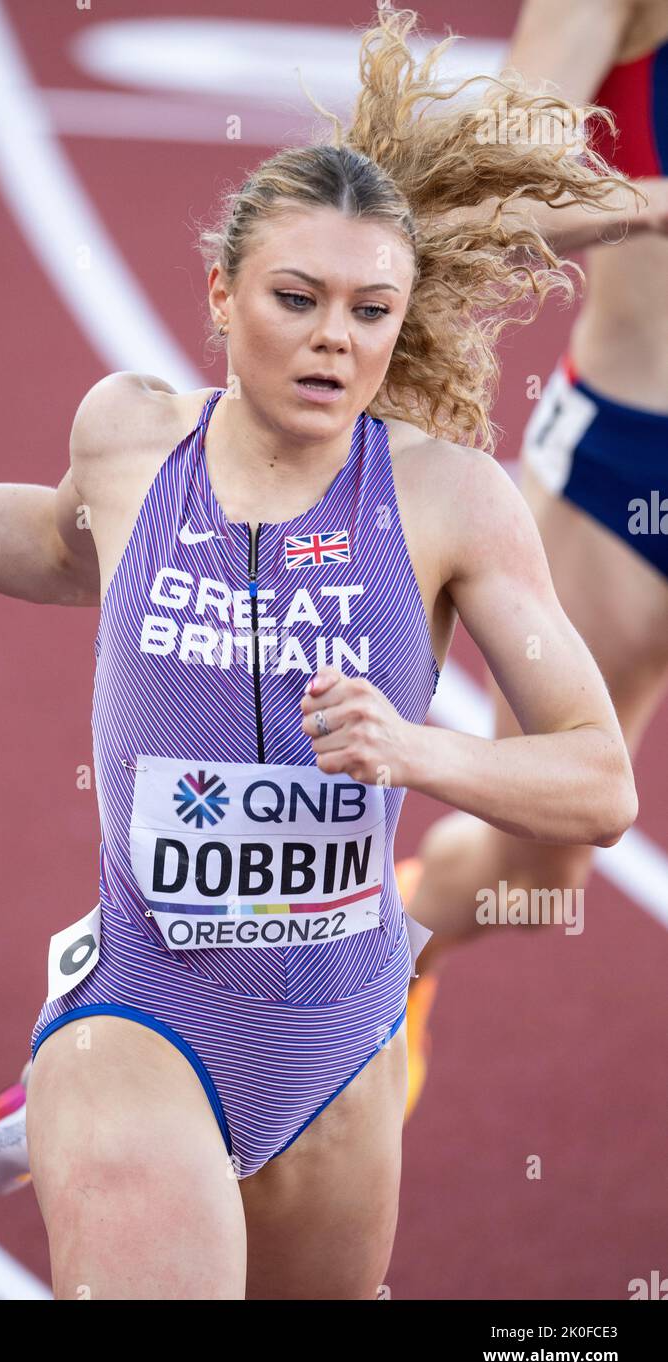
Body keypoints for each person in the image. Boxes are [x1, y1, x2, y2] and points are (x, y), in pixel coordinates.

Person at [0, 5, 641, 1299]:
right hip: (143, 1011)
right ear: (219, 292)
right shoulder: (133, 435)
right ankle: (60, 1072)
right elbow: (58, 546)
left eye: (370, 310)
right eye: (296, 299)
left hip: (344, 1040)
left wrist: (414, 747)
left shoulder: (448, 501)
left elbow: (598, 786)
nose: (333, 339)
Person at [400, 0, 668, 1117]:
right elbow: (469, 205)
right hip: (624, 467)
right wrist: (654, 206)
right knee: (538, 868)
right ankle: (357, 960)